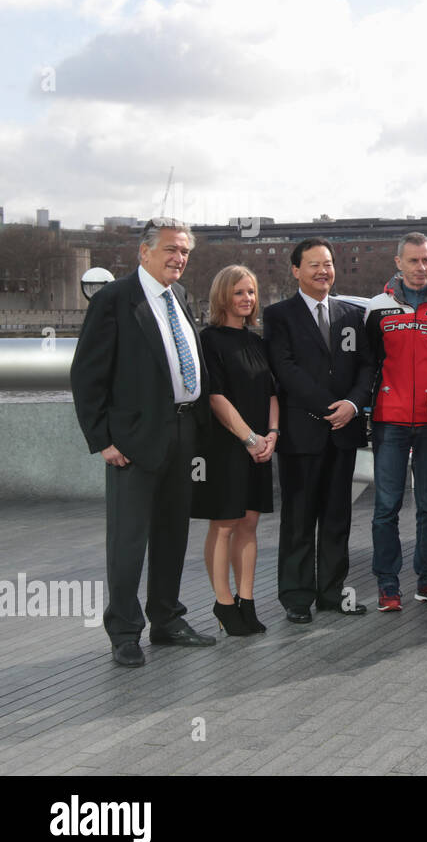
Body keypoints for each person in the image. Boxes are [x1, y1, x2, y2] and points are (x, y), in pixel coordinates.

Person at [70, 218, 216, 666]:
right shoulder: (115, 300)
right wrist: (103, 440)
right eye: (171, 249)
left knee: (172, 534)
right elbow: (87, 375)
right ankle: (125, 632)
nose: (179, 258)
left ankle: (167, 619)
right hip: (132, 439)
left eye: (185, 252)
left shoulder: (180, 297)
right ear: (144, 252)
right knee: (129, 540)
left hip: (183, 430)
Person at [263, 238, 375, 624]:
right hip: (302, 433)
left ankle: (331, 592)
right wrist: (329, 406)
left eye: (327, 264)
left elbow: (366, 367)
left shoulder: (350, 315)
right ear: (296, 270)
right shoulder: (279, 315)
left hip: (343, 431)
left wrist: (354, 404)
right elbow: (284, 368)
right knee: (298, 518)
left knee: (336, 517)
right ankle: (296, 597)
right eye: (313, 265)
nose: (322, 271)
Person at [364, 232, 427, 612]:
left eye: (426, 260)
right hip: (389, 420)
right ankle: (388, 584)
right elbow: (368, 364)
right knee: (386, 506)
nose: (421, 268)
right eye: (413, 261)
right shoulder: (377, 308)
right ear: (398, 263)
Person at [190, 265, 278, 636]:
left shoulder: (258, 342)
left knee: (250, 524)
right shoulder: (208, 340)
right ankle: (223, 603)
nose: (247, 299)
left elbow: (273, 392)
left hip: (260, 442)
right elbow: (215, 397)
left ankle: (247, 601)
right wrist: (250, 439)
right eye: (240, 292)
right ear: (223, 296)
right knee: (224, 524)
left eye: (252, 292)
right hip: (225, 445)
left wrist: (271, 434)